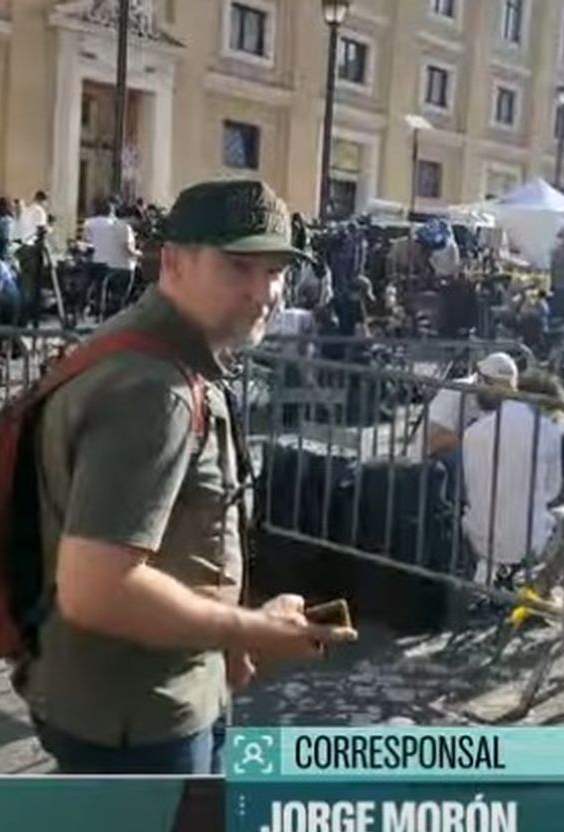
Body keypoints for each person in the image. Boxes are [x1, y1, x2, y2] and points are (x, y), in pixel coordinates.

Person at [20, 179, 357, 775]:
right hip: (140, 713)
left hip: (153, 688)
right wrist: (254, 628)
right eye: (237, 267)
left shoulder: (168, 352)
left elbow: (183, 533)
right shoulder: (155, 388)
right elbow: (99, 588)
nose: (264, 293)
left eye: (276, 270)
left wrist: (226, 643)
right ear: (173, 262)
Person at [461, 368, 564, 598]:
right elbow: (552, 490)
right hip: (526, 542)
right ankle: (541, 589)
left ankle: (501, 577)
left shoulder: (473, 431)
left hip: (477, 536)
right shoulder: (548, 431)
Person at [422, 352, 519, 457]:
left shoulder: (509, 402)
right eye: (497, 389)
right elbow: (434, 441)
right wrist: (476, 438)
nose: (502, 396)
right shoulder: (454, 393)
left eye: (507, 391)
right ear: (480, 380)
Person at [82, 198, 140, 308]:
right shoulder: (121, 226)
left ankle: (96, 305)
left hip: (102, 261)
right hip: (122, 266)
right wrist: (138, 255)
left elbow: (86, 240)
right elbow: (126, 248)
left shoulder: (96, 223)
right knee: (121, 293)